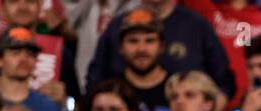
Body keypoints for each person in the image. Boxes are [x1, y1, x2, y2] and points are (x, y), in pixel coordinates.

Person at [87, 0, 234, 99]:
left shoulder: (196, 25)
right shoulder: (117, 27)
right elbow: (95, 80)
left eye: (149, 40)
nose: (141, 48)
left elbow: (224, 83)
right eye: (133, 40)